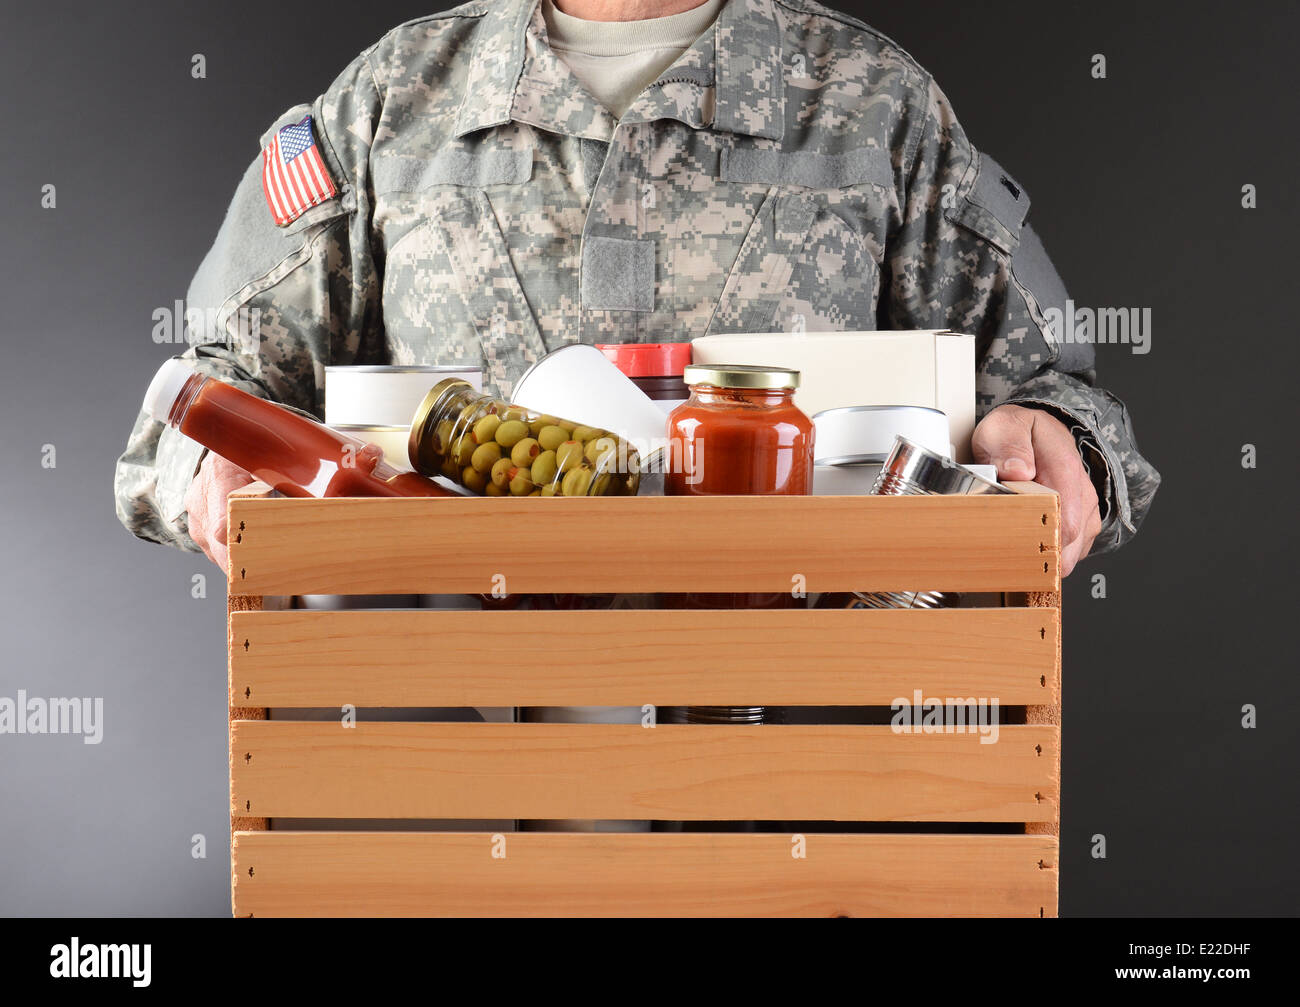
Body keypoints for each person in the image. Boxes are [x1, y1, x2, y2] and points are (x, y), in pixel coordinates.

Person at [115, 0, 1159, 576]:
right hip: (464, 755)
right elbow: (211, 393)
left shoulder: (871, 103)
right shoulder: (394, 103)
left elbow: (1057, 394)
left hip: (804, 762)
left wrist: (1055, 441)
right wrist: (213, 471)